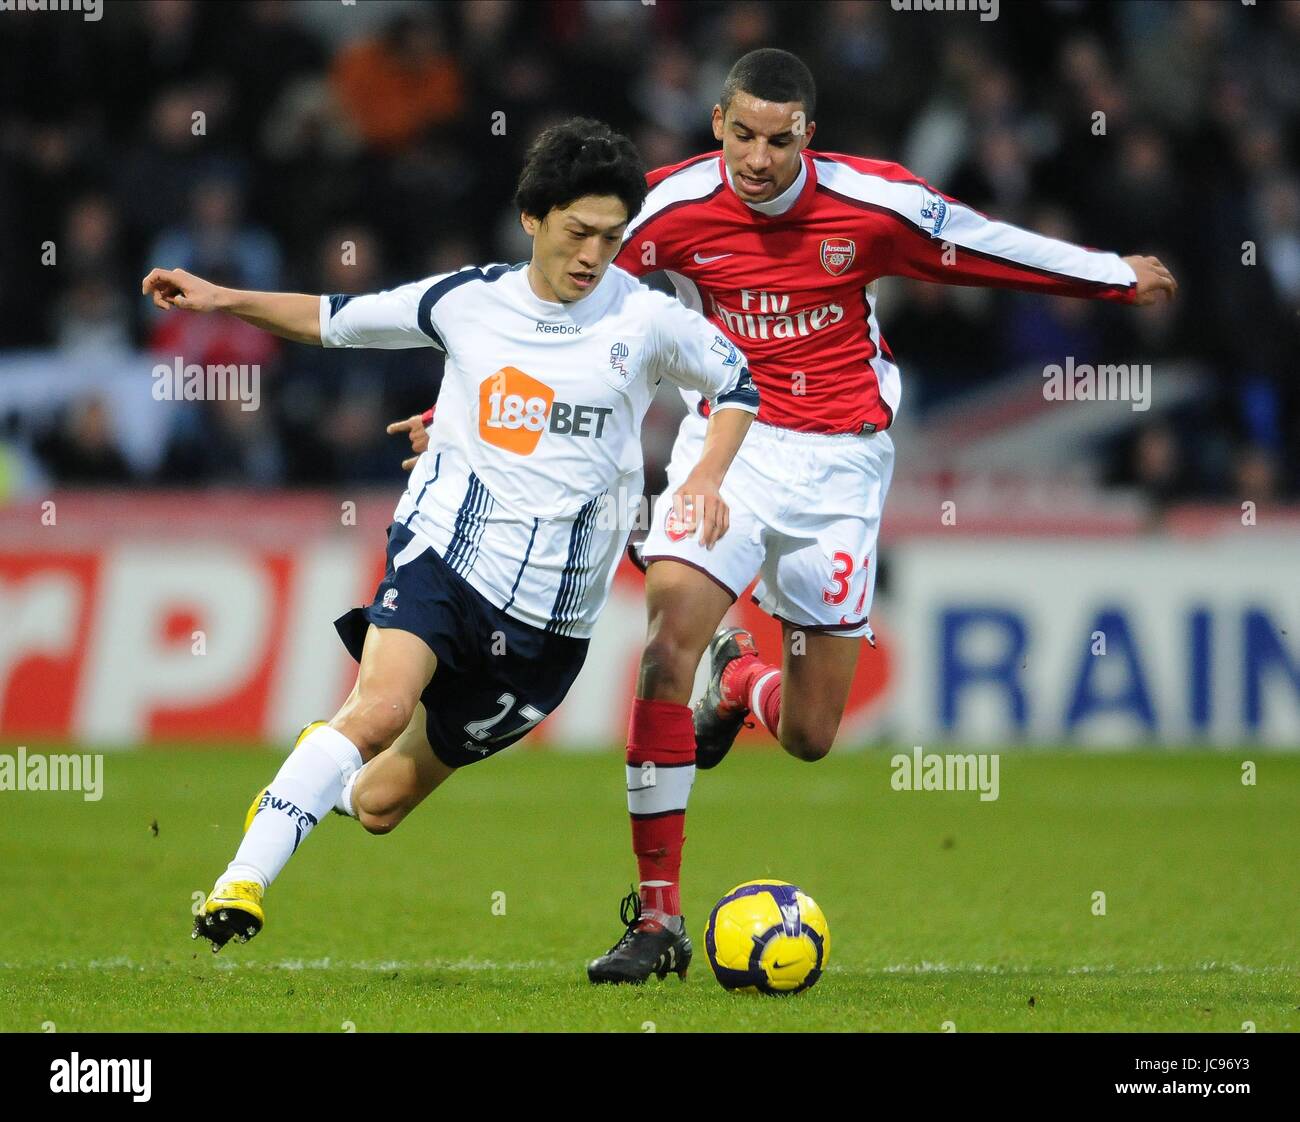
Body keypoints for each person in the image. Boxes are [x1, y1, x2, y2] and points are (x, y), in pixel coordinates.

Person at [389, 48, 1179, 985]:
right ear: (717, 123)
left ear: (809, 134)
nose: (759, 159)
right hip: (732, 442)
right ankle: (658, 918)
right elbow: (553, 299)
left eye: (779, 140)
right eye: (743, 135)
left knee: (809, 735)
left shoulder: (872, 205)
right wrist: (458, 411)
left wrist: (1111, 275)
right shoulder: (665, 208)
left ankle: (742, 682)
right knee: (666, 644)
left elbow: (984, 246)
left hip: (842, 462)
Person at [143, 118, 758, 969]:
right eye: (577, 231)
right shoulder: (467, 301)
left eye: (612, 238)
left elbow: (738, 381)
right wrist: (221, 298)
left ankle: (308, 782)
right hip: (446, 561)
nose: (592, 254)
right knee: (379, 709)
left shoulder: (646, 319)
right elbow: (334, 319)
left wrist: (706, 477)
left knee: (380, 803)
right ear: (533, 218)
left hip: (548, 631)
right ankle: (241, 880)